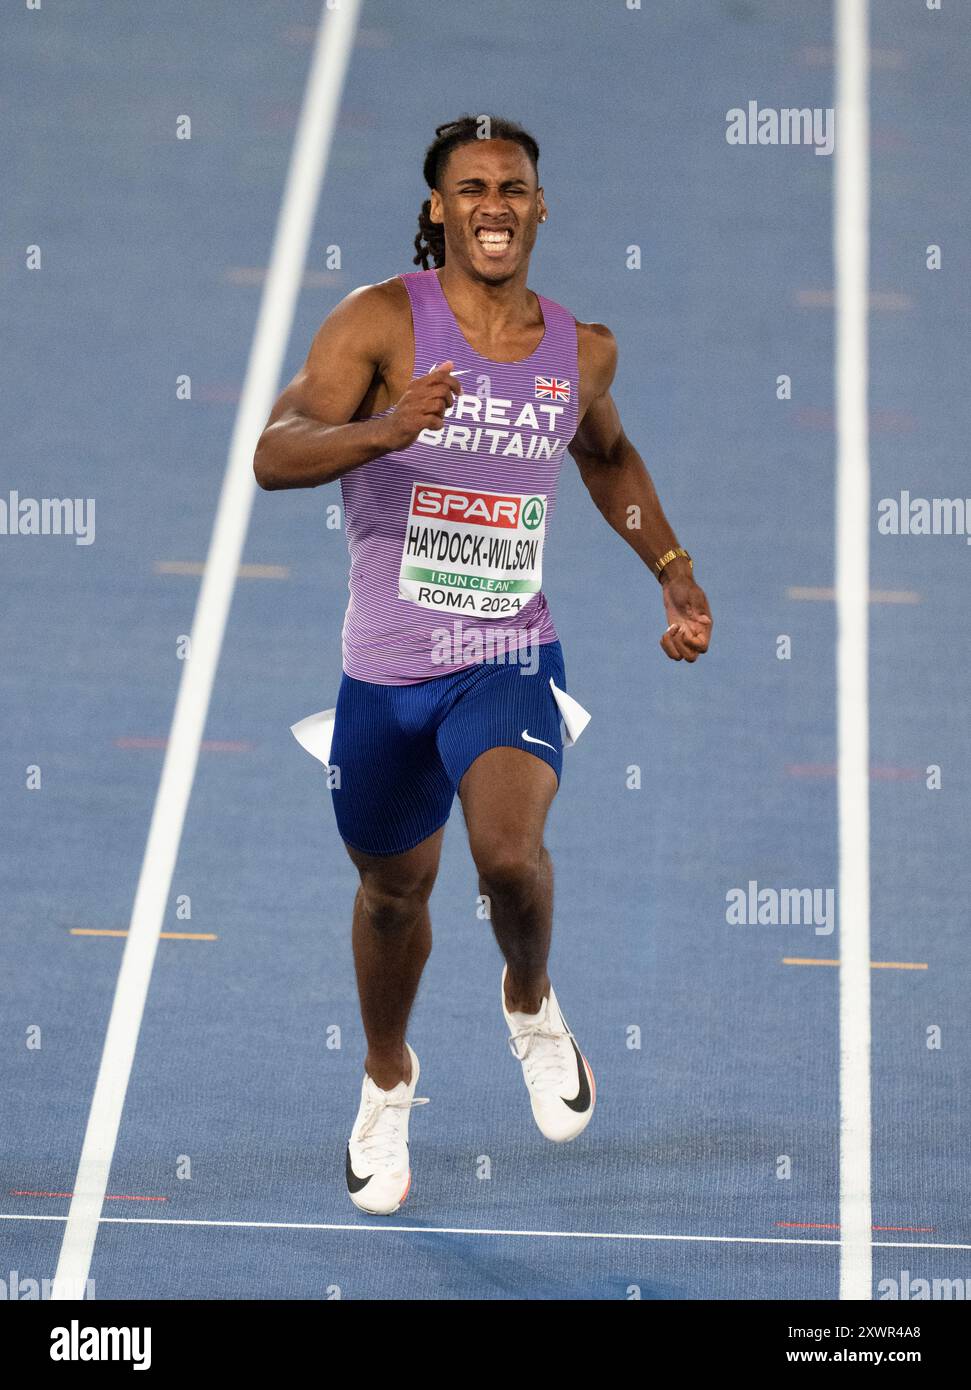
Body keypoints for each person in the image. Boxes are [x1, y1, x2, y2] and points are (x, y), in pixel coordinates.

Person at [254, 115, 712, 1215]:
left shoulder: (579, 348)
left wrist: (671, 564)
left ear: (539, 206)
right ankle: (385, 1078)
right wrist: (383, 430)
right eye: (470, 188)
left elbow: (605, 456)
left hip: (504, 654)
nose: (493, 203)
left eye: (512, 186)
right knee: (389, 894)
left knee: (508, 856)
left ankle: (530, 1000)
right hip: (384, 675)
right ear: (438, 210)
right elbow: (276, 452)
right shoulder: (377, 324)